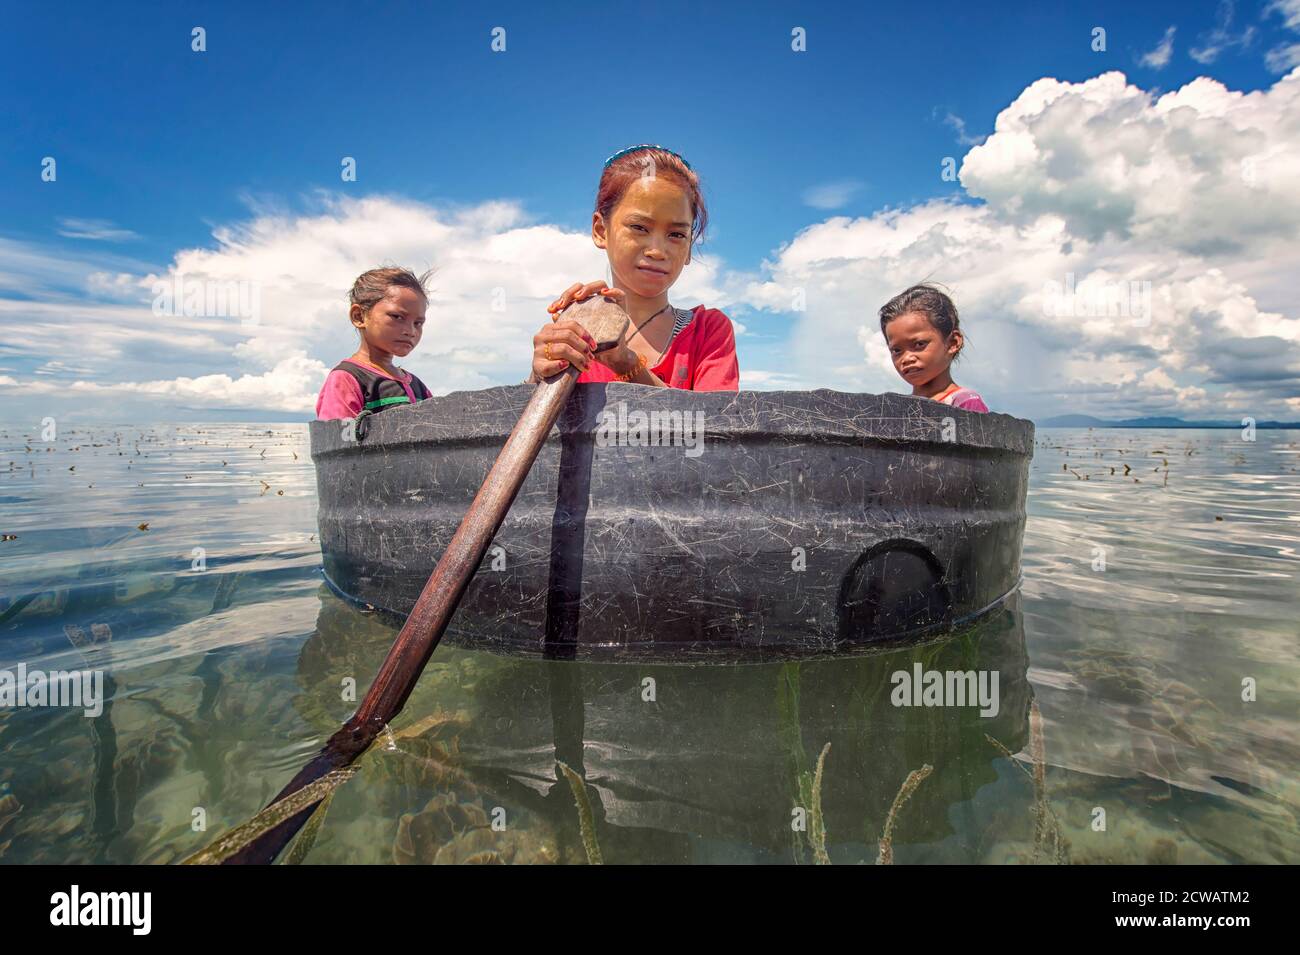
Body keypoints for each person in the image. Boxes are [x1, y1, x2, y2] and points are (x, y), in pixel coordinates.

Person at [527, 144, 739, 390]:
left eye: (677, 234)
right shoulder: (576, 334)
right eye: (639, 227)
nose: (657, 251)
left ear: (689, 247)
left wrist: (625, 363)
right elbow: (528, 424)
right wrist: (539, 375)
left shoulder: (708, 331)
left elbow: (715, 425)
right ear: (600, 230)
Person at [316, 267, 434, 421]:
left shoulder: (418, 386)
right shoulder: (347, 379)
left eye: (418, 323)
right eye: (397, 317)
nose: (410, 331)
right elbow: (336, 441)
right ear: (359, 316)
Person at [880, 284, 989, 412]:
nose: (907, 358)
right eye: (896, 350)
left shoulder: (964, 403)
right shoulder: (897, 411)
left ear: (953, 343)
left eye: (919, 344)